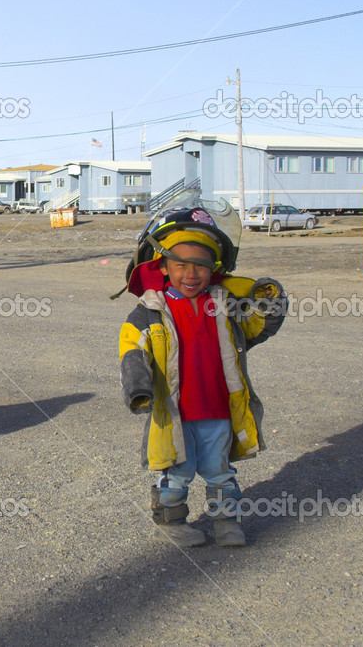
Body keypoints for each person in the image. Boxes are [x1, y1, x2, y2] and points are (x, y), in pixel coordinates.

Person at [117, 206, 286, 547]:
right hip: (175, 414)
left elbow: (258, 327)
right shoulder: (149, 312)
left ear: (215, 268)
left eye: (201, 265)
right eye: (180, 264)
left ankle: (226, 523)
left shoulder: (226, 306)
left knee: (220, 472)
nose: (191, 273)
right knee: (176, 473)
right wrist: (138, 387)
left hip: (218, 411)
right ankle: (172, 524)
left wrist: (269, 302)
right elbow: (133, 350)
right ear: (162, 266)